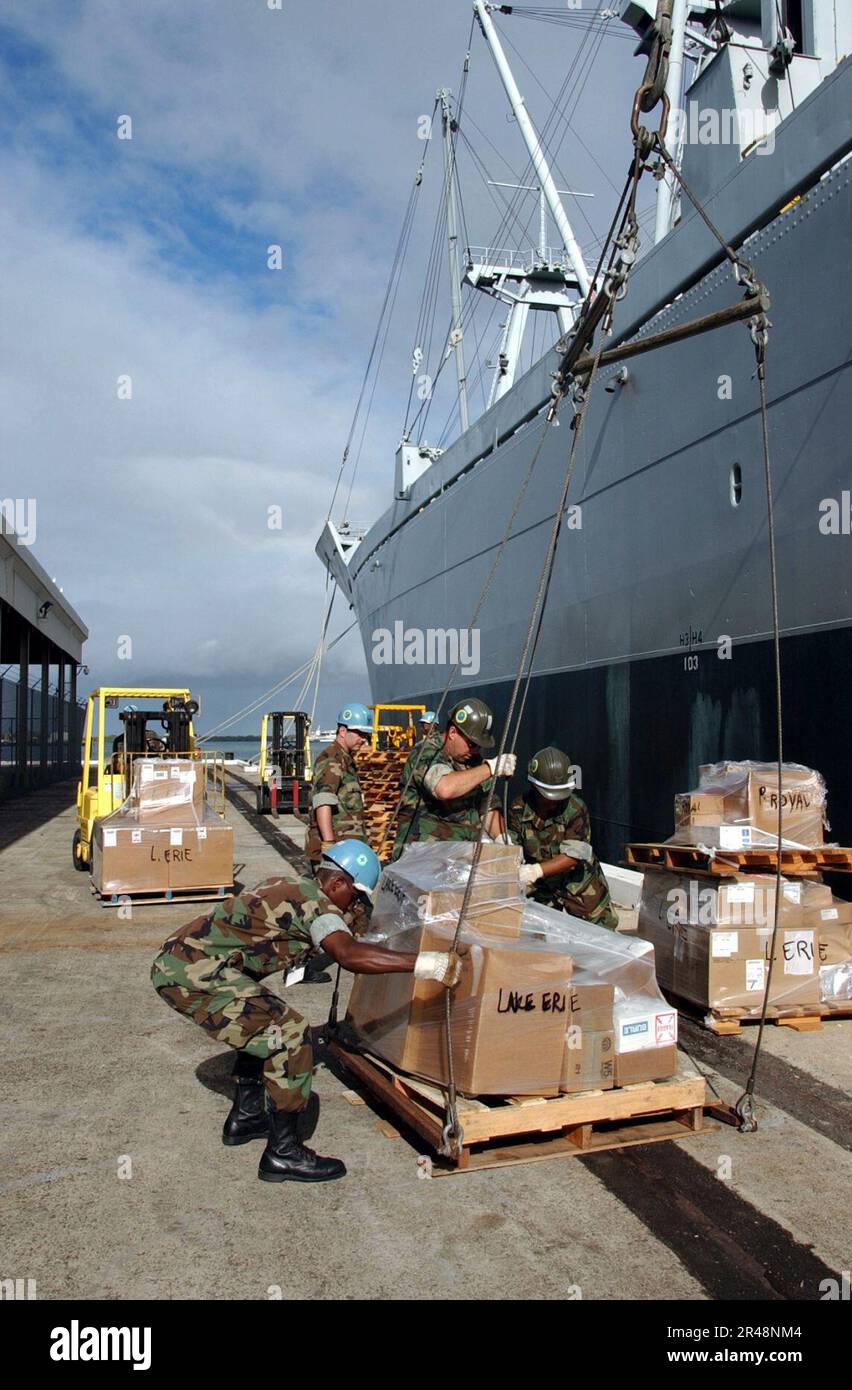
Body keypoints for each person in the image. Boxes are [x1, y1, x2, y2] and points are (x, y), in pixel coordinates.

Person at [151, 840, 463, 1184]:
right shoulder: (318, 907)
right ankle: (283, 1154)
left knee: (261, 1022)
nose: (356, 906)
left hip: (180, 961)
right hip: (193, 974)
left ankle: (247, 1115)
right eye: (356, 896)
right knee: (291, 1033)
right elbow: (348, 955)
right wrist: (424, 963)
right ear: (338, 884)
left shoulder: (286, 884)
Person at [391, 697, 516, 861]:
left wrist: (502, 840)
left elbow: (487, 807)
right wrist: (490, 768)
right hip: (423, 857)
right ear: (452, 733)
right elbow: (444, 788)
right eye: (472, 744)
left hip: (461, 858)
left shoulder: (473, 762)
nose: (476, 750)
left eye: (479, 746)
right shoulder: (426, 751)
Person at [508, 746, 618, 929]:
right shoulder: (519, 809)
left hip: (578, 885)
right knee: (536, 937)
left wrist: (535, 871)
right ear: (534, 787)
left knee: (601, 936)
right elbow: (513, 847)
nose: (554, 801)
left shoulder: (575, 808)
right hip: (543, 889)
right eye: (548, 796)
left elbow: (572, 857)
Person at [305, 703, 372, 868]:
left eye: (365, 734)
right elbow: (323, 802)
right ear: (343, 731)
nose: (363, 739)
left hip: (348, 850)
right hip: (336, 852)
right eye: (359, 733)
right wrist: (328, 844)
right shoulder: (331, 760)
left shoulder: (345, 759)